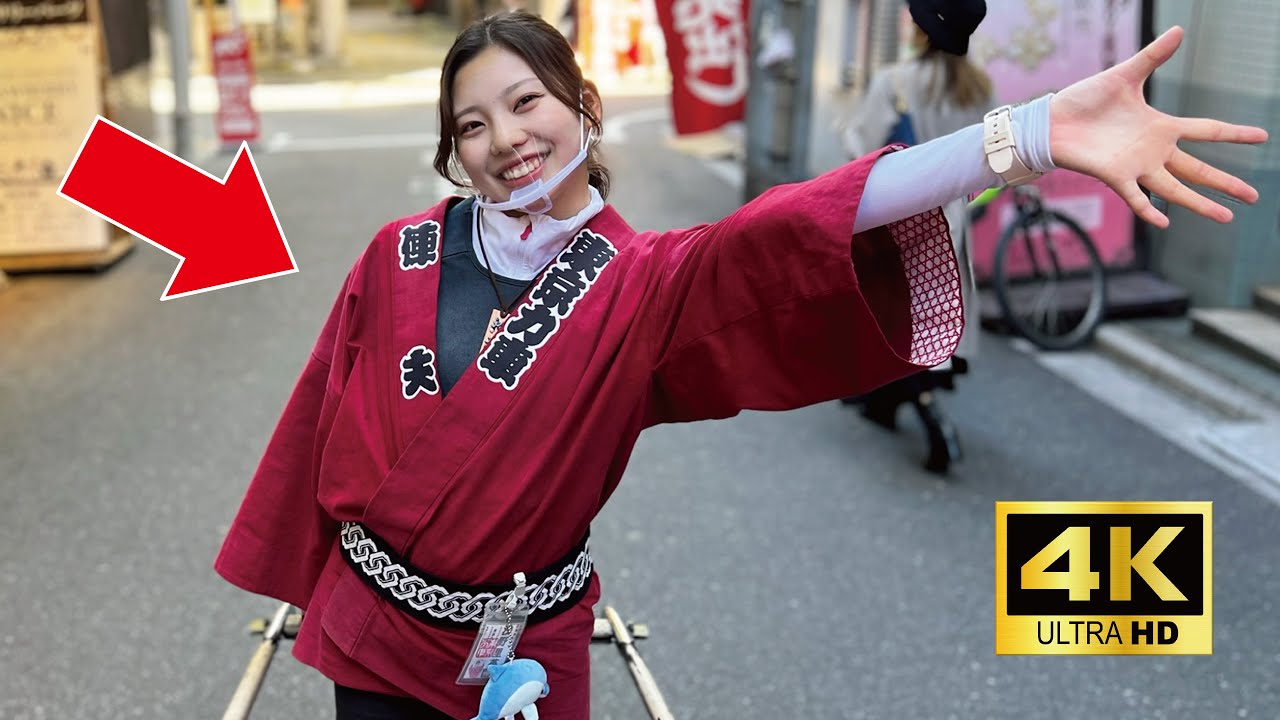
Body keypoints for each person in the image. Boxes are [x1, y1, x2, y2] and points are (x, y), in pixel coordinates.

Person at [213, 9, 1266, 719]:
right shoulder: (395, 254)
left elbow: (786, 228)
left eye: (527, 102)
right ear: (453, 151)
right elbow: (320, 420)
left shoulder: (646, 279)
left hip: (523, 642)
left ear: (582, 107)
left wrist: (1022, 134)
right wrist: (303, 566)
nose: (503, 139)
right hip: (375, 635)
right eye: (471, 125)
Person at [839, 0, 993, 473]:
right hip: (953, 219)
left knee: (893, 314)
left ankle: (927, 410)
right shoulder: (980, 88)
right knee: (934, 313)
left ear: (923, 29)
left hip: (902, 217)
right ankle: (883, 402)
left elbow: (862, 147)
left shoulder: (896, 82)